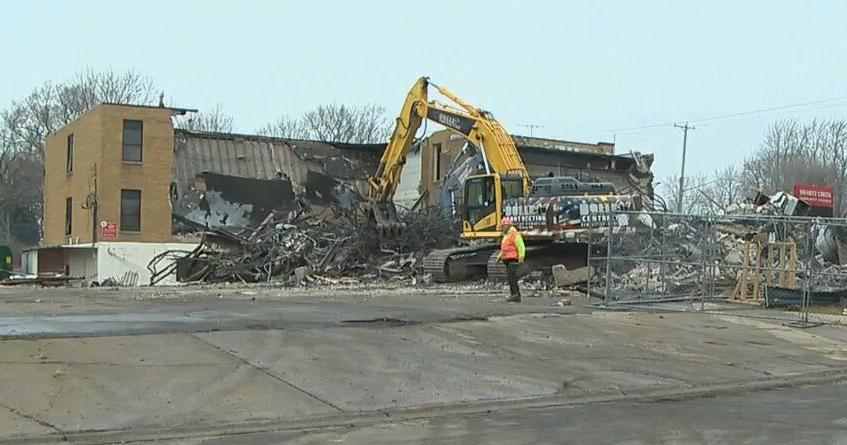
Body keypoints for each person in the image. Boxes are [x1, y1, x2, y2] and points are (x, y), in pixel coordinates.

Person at [498, 216, 525, 302]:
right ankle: (516, 295)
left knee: (512, 279)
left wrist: (521, 256)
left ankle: (515, 295)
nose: (502, 228)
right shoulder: (507, 235)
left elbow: (521, 246)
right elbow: (505, 248)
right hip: (507, 260)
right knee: (511, 278)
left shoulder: (514, 234)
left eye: (503, 226)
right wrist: (499, 256)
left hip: (512, 259)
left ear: (508, 226)